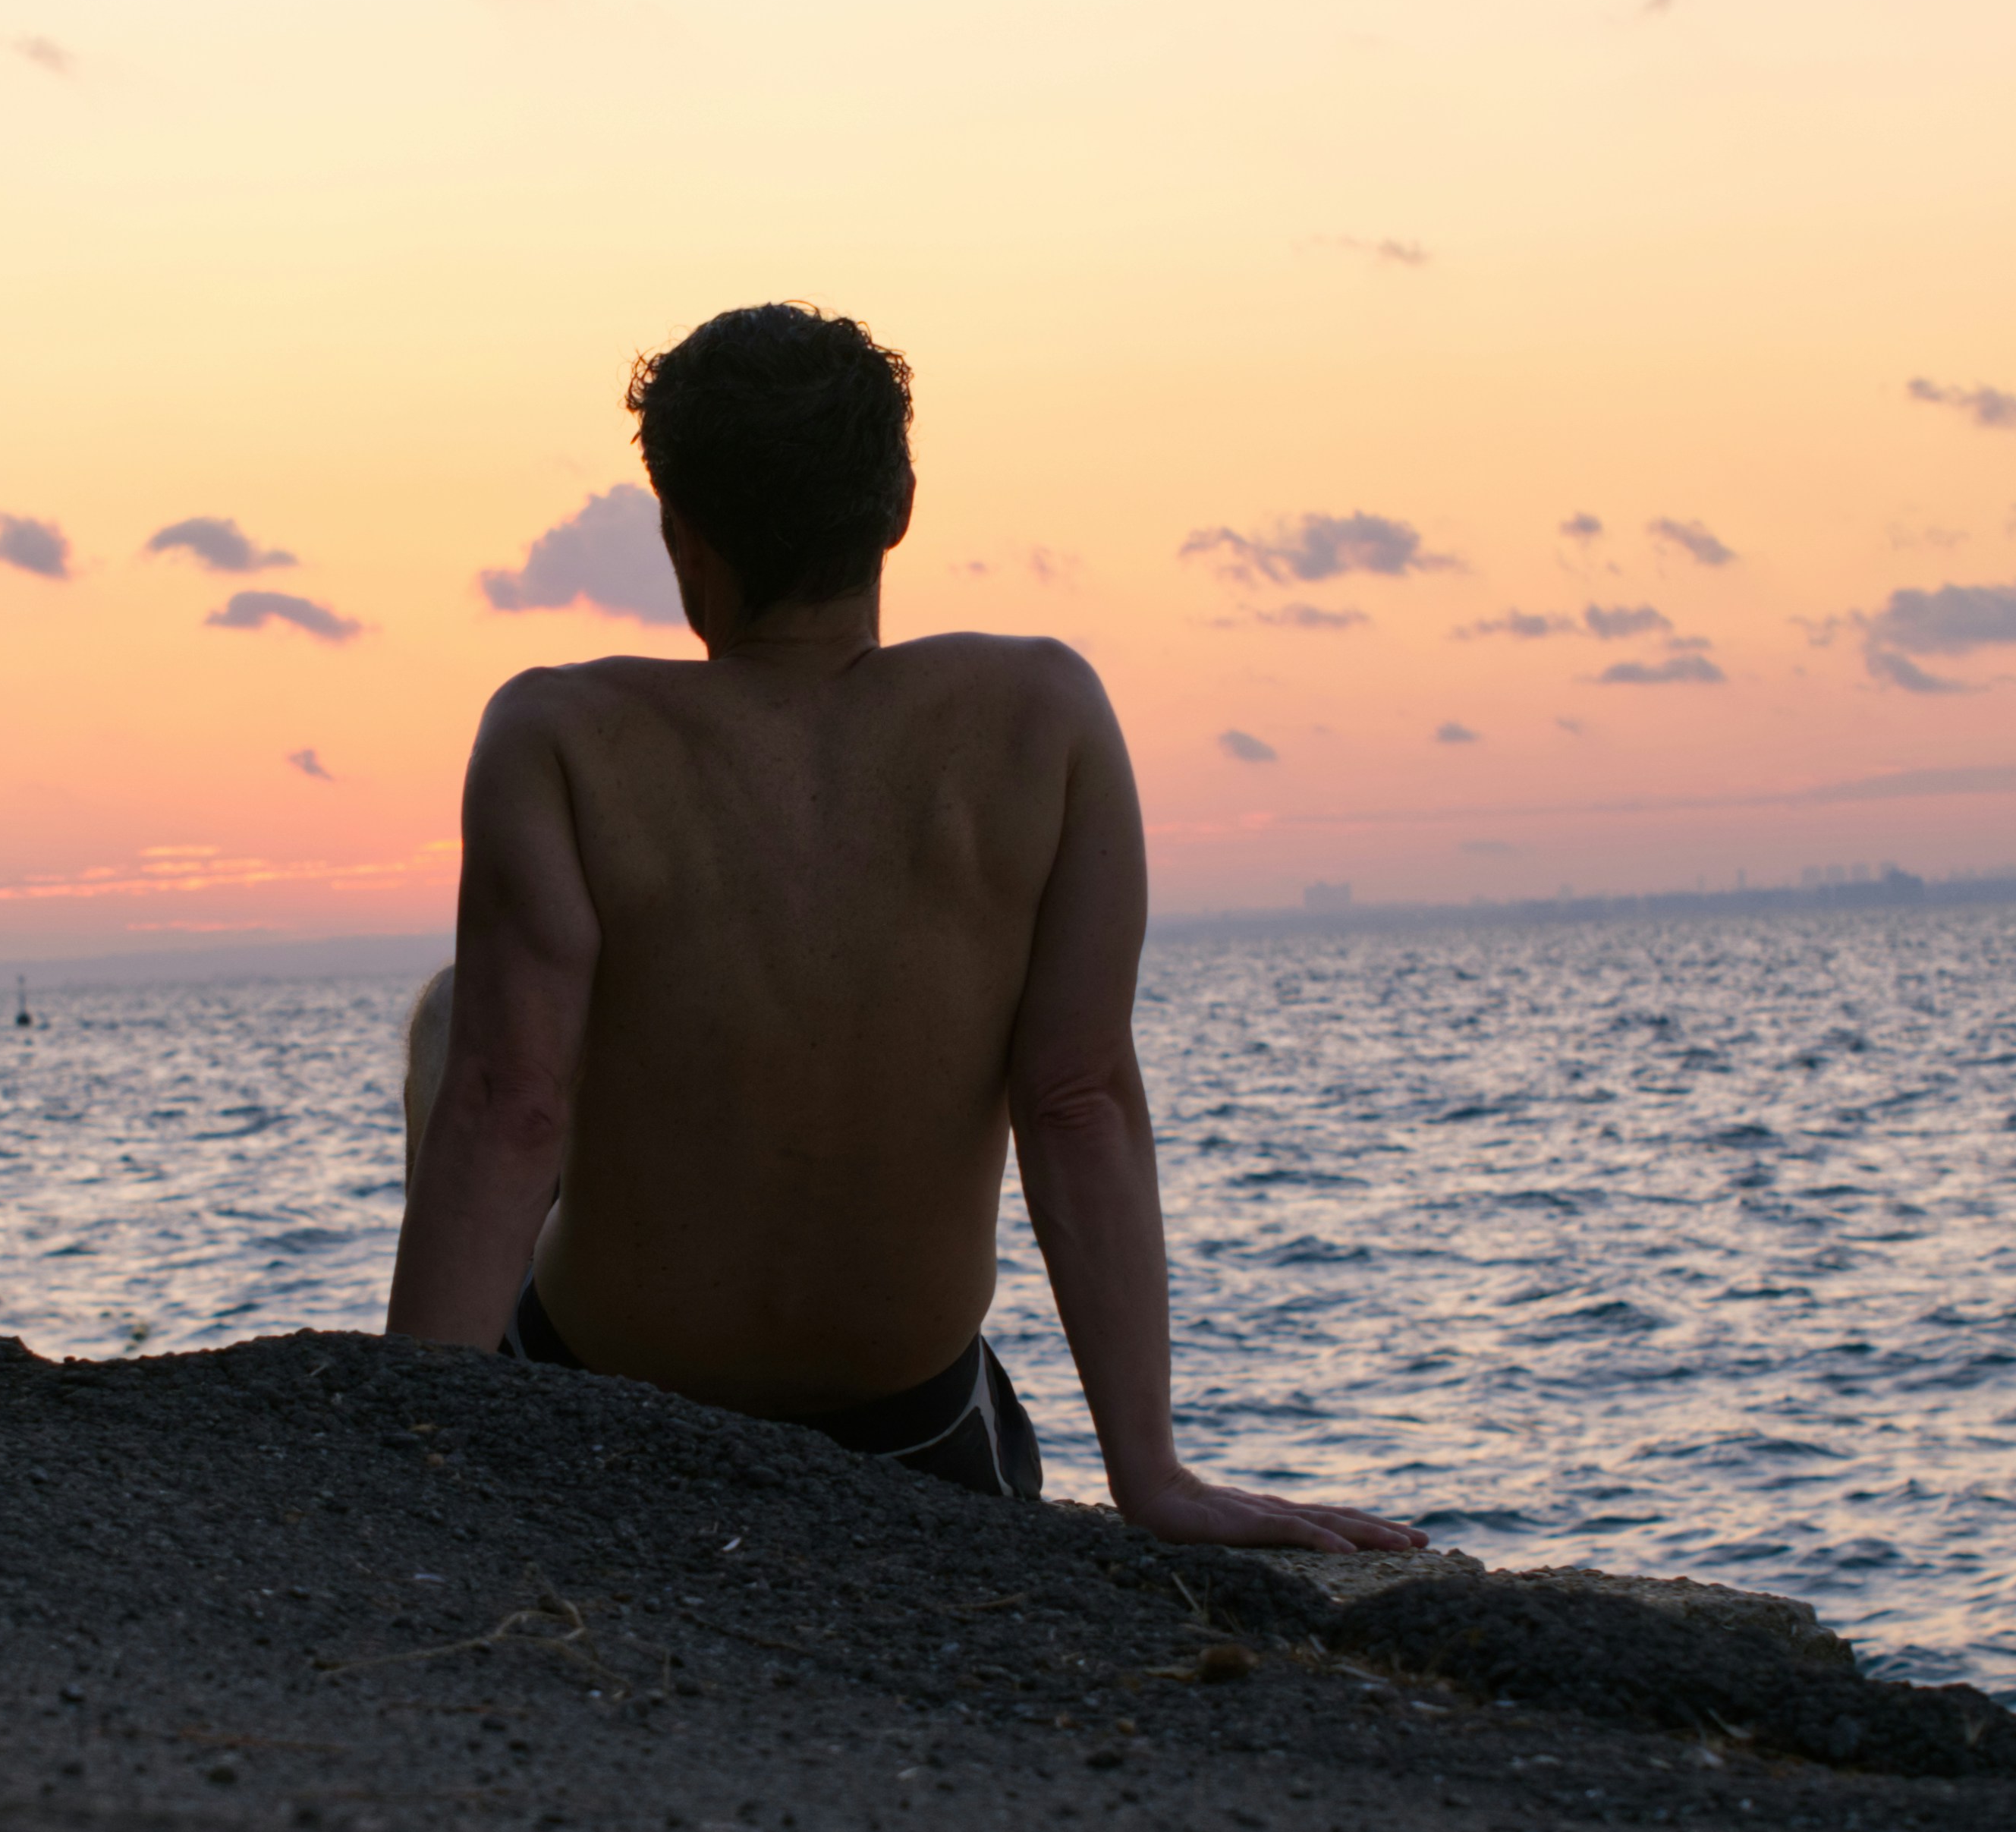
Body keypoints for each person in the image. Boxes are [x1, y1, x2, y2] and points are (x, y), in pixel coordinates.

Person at [386, 301, 1427, 1554]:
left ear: (678, 530)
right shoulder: (1044, 713)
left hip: (610, 1394)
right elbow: (1077, 1098)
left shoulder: (554, 735)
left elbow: (513, 1105)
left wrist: (410, 1462)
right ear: (899, 508)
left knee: (461, 1020)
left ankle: (459, 1397)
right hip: (911, 1432)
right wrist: (1150, 1476)